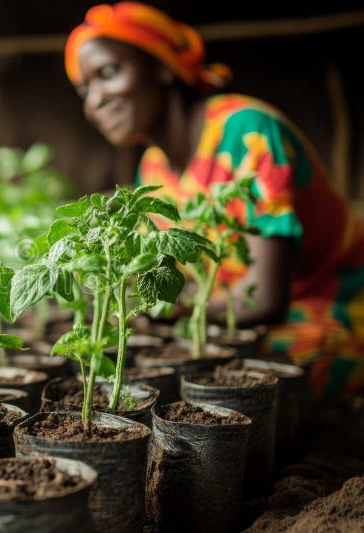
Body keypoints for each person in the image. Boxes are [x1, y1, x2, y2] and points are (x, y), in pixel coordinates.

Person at [65, 2, 364, 401]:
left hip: (325, 308)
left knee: (248, 370)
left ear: (163, 66)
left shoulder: (246, 130)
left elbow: (264, 298)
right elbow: (175, 282)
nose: (93, 102)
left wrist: (177, 314)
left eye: (107, 74)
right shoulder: (152, 171)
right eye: (84, 90)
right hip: (231, 317)